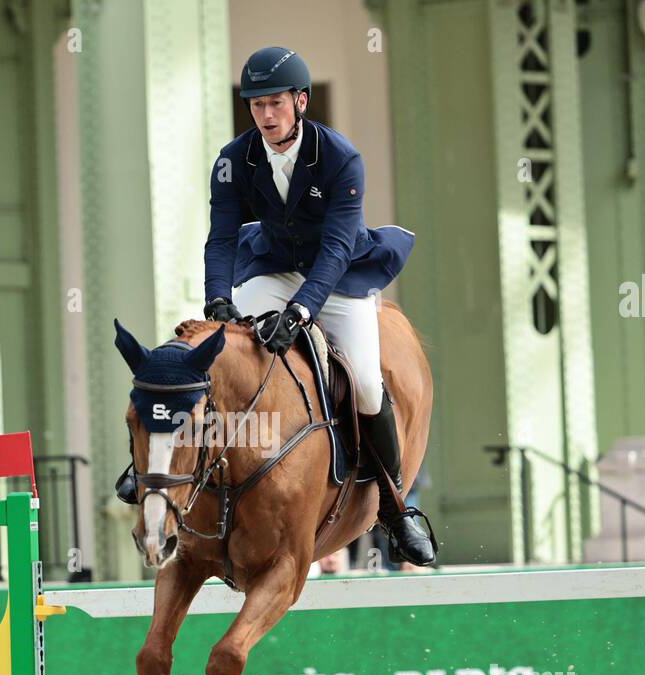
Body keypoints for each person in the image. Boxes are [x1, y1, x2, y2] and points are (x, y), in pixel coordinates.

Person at [115, 47, 435, 566]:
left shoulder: (341, 158)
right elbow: (222, 238)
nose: (266, 115)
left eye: (276, 103)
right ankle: (151, 468)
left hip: (338, 277)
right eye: (257, 104)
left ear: (300, 102)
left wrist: (303, 310)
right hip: (273, 269)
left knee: (366, 383)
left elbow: (336, 248)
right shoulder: (233, 160)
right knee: (210, 351)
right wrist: (218, 298)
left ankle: (396, 508)